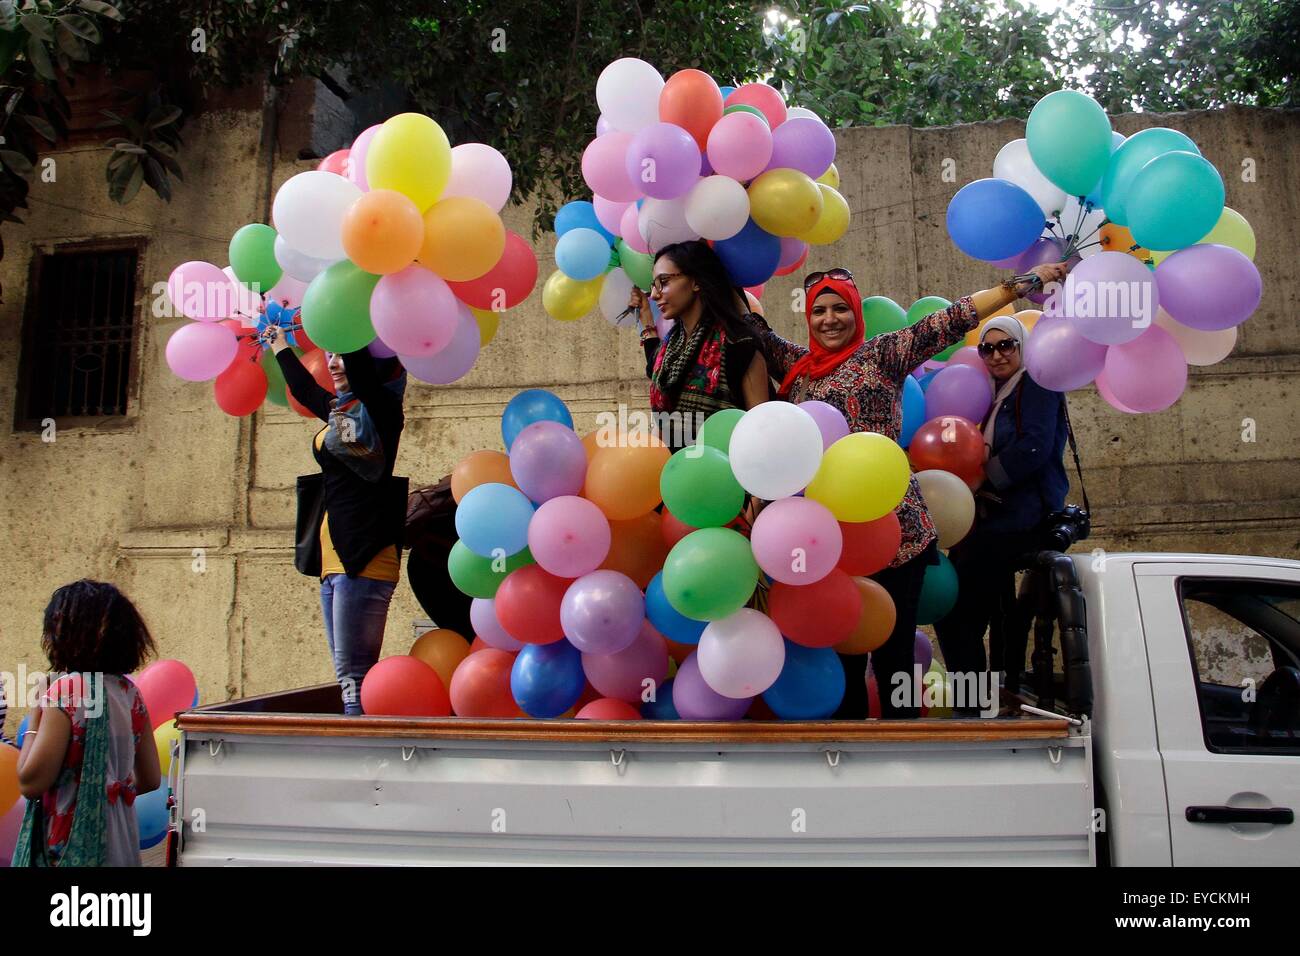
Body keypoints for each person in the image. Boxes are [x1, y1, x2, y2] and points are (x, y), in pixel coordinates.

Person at [748, 261, 1069, 718]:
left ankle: (905, 751)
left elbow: (952, 318)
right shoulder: (800, 370)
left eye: (840, 308)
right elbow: (752, 328)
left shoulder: (883, 354)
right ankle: (849, 753)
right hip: (832, 540)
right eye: (819, 310)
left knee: (893, 657)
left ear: (856, 313)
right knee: (846, 656)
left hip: (895, 536)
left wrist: (1022, 284)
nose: (829, 319)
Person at [269, 330, 409, 715]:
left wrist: (348, 320)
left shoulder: (380, 409)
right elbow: (303, 389)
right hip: (333, 561)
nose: (332, 363)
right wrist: (277, 343)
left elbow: (361, 372)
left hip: (364, 556)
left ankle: (361, 746)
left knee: (354, 677)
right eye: (329, 355)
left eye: (340, 355)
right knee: (345, 677)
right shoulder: (340, 413)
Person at [933, 315, 1069, 708]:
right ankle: (980, 699)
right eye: (987, 348)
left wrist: (983, 478)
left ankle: (973, 704)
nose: (996, 355)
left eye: (1006, 345)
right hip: (993, 519)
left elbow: (1034, 447)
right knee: (972, 610)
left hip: (1019, 519)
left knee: (955, 611)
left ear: (1023, 346)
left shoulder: (1037, 383)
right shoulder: (995, 395)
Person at [13, 580, 161, 866]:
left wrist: (36, 712)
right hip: (121, 841)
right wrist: (107, 790)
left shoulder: (69, 691)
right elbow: (151, 779)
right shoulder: (129, 692)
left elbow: (30, 782)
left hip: (72, 848)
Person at [629, 240, 770, 450]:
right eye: (653, 286)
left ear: (695, 281)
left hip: (722, 467)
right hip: (672, 467)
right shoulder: (671, 345)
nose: (655, 295)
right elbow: (655, 367)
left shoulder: (739, 343)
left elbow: (761, 431)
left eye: (664, 282)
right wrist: (647, 320)